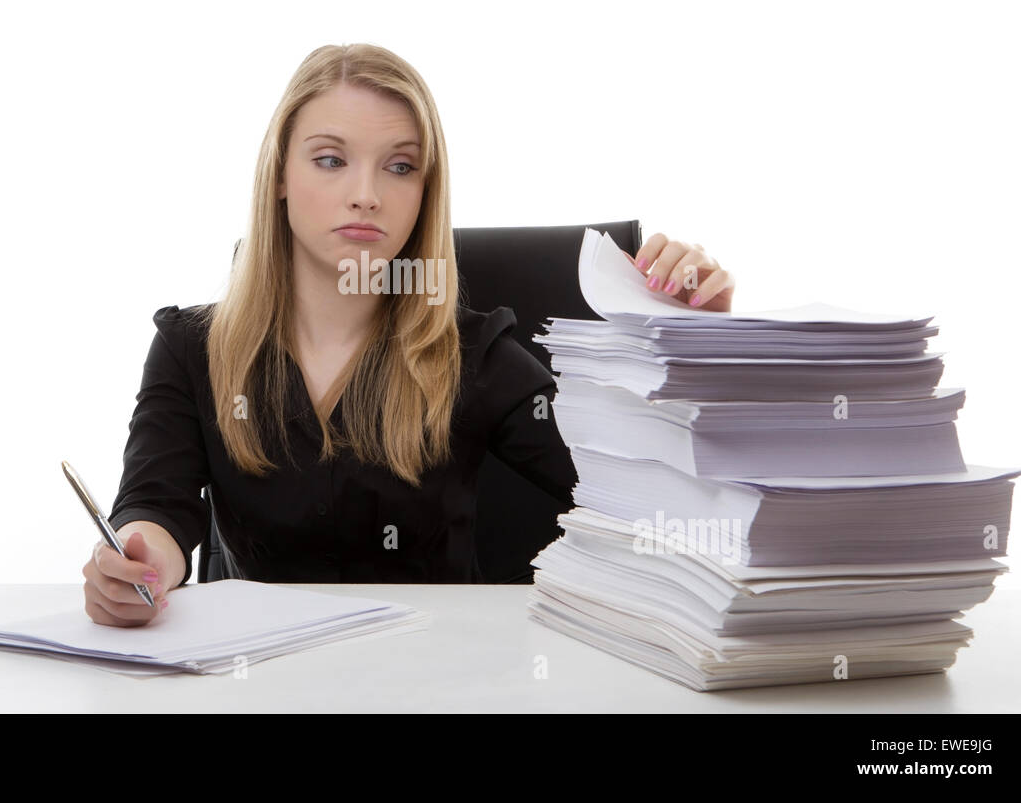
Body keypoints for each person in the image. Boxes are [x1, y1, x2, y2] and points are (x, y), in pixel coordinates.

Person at [81, 43, 736, 626]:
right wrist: (139, 562)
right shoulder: (191, 346)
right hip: (263, 684)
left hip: (435, 683)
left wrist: (695, 340)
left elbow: (652, 496)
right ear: (280, 175)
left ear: (426, 191)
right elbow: (156, 507)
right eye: (331, 159)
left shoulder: (471, 355)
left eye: (400, 167)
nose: (366, 194)